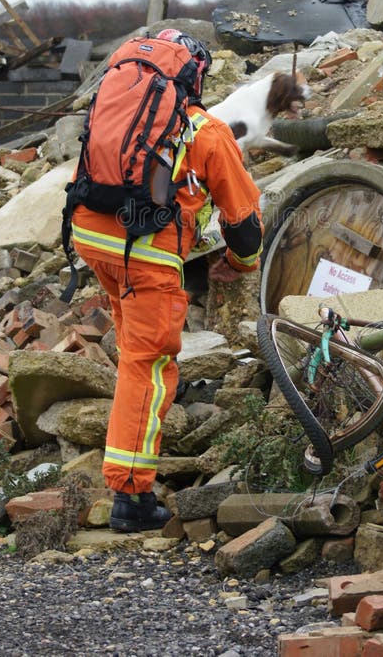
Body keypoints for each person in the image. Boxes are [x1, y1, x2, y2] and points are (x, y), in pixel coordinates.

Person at [71, 29, 263, 532]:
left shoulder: (117, 110)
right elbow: (243, 223)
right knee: (148, 363)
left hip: (94, 241)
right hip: (145, 255)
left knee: (134, 345)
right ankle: (130, 497)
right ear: (195, 75)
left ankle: (137, 422)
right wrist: (241, 265)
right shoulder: (204, 131)